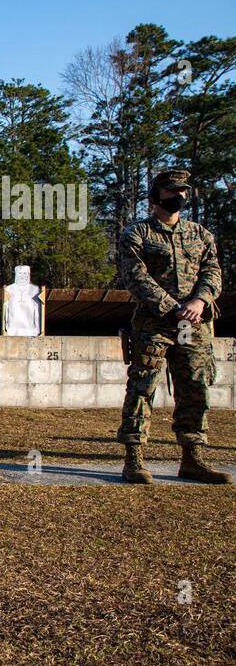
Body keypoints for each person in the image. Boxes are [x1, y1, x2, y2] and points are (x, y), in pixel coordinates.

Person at [117, 168, 229, 484]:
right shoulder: (137, 234)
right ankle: (134, 459)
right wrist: (172, 307)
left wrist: (199, 302)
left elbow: (213, 273)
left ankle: (193, 458)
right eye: (172, 191)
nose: (179, 196)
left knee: (195, 387)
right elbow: (135, 277)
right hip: (155, 322)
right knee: (142, 386)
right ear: (155, 196)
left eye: (183, 191)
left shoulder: (200, 234)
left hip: (194, 324)